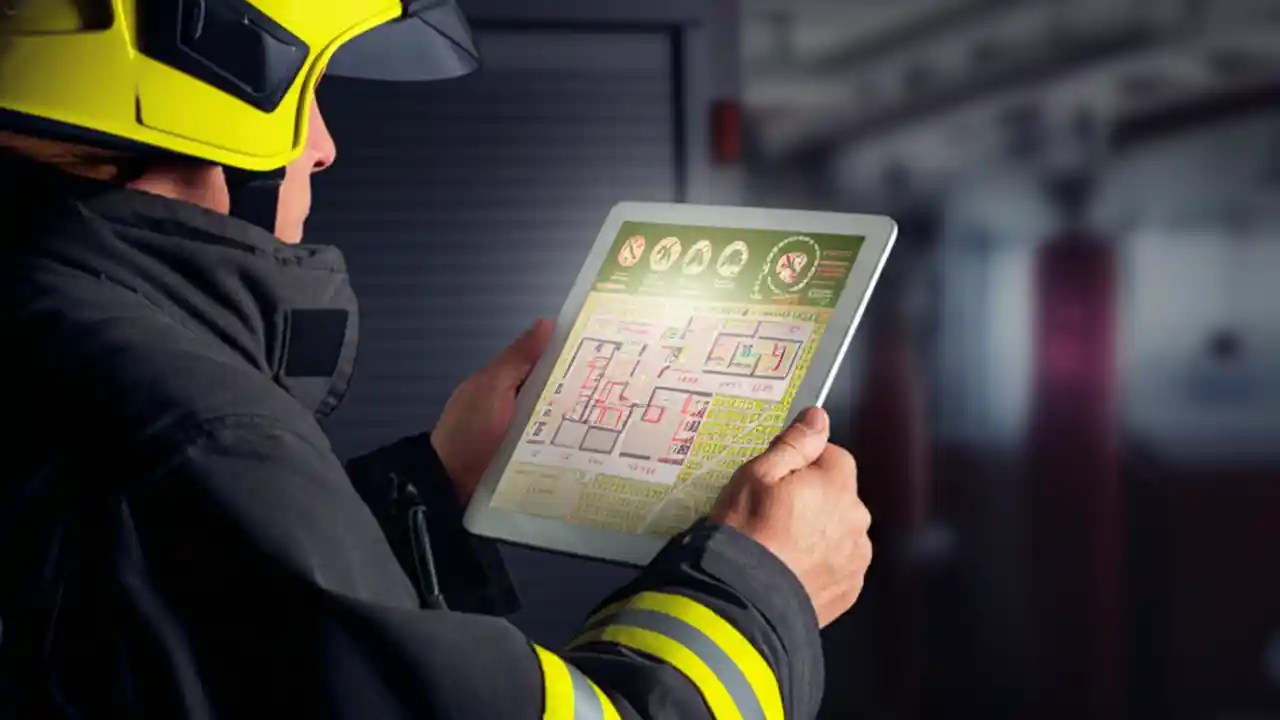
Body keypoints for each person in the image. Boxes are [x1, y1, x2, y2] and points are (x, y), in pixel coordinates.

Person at [0, 2, 874, 718]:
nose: (322, 146)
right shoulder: (198, 437)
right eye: (307, 94)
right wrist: (763, 590)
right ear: (209, 94)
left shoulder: (58, 349)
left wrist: (436, 486)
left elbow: (249, 646)